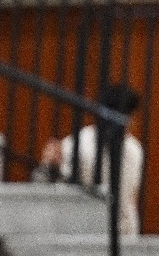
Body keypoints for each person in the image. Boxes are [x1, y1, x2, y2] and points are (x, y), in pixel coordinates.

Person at [35, 82, 144, 237]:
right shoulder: (78, 144)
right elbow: (47, 185)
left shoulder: (134, 150)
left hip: (123, 234)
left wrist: (131, 236)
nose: (128, 124)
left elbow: (131, 199)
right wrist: (50, 165)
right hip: (84, 233)